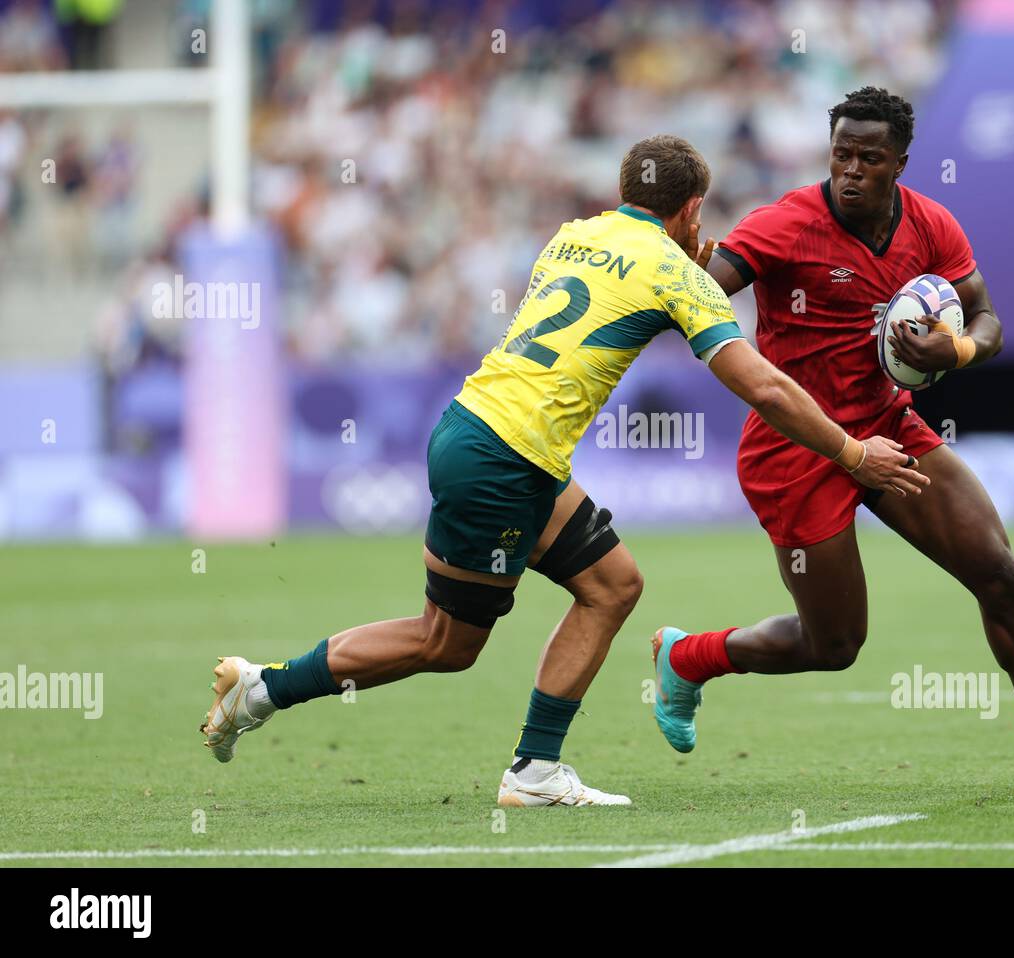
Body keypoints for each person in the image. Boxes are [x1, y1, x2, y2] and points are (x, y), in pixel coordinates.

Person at [200, 134, 927, 806]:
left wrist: (686, 269)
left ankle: (537, 767)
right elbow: (763, 386)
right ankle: (265, 690)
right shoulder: (676, 271)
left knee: (614, 585)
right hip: (506, 460)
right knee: (444, 643)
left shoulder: (575, 233)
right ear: (694, 208)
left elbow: (616, 296)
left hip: (480, 430)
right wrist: (852, 452)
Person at [654, 89, 1014, 791]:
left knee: (1001, 576)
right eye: (841, 155)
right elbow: (704, 298)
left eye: (869, 158)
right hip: (795, 448)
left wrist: (956, 353)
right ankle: (689, 658)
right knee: (834, 645)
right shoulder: (786, 222)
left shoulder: (930, 224)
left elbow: (985, 318)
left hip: (888, 426)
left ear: (900, 163)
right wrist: (685, 272)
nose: (850, 170)